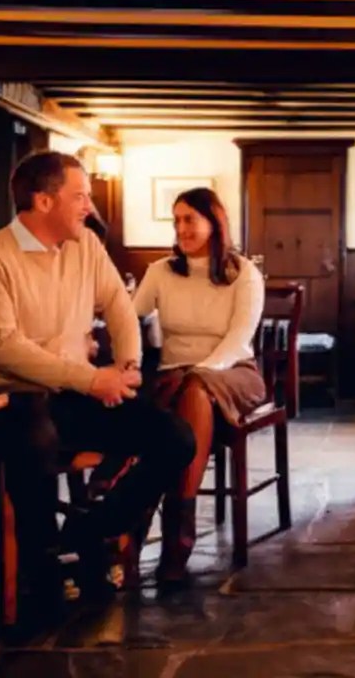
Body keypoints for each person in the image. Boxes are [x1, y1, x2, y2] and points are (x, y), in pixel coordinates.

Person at [0, 151, 195, 613]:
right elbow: (2, 345)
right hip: (4, 400)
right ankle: (41, 566)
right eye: (80, 196)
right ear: (43, 201)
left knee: (174, 437)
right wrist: (90, 379)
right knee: (35, 432)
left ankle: (91, 529)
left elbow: (118, 304)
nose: (90, 206)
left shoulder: (85, 244)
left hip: (70, 395)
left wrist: (128, 363)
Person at [132, 187, 266, 585]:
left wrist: (197, 372)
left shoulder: (243, 272)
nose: (181, 228)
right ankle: (155, 534)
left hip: (234, 372)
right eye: (176, 220)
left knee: (192, 388)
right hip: (174, 376)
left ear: (214, 221)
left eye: (190, 219)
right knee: (180, 394)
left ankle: (173, 535)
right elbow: (130, 317)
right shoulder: (161, 271)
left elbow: (238, 339)